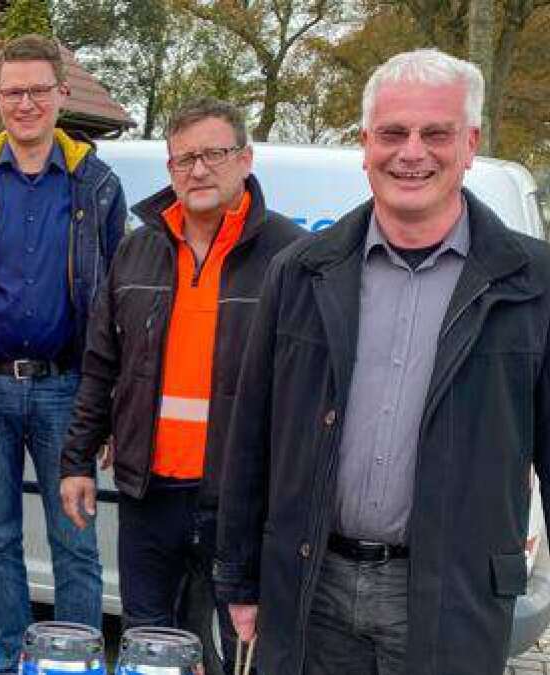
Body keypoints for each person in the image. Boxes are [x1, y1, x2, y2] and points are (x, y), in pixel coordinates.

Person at [215, 48, 550, 675]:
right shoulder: (302, 271)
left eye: (436, 133)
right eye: (393, 133)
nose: (412, 152)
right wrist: (239, 575)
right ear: (366, 143)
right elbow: (251, 433)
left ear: (470, 143)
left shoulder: (532, 283)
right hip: (313, 587)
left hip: (450, 597)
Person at [59, 98, 305, 672]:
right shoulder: (137, 250)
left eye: (214, 154)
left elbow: (308, 391)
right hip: (151, 495)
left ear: (246, 159)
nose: (198, 170)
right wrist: (75, 461)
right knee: (149, 645)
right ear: (169, 169)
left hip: (241, 502)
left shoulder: (291, 257)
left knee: (242, 649)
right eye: (184, 159)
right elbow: (102, 364)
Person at [0, 33, 125, 673]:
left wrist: (109, 407)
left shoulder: (97, 185)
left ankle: (72, 662)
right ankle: (10, 660)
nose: (27, 103)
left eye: (39, 89)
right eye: (15, 91)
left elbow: (118, 307)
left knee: (75, 542)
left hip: (68, 387)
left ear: (62, 95)